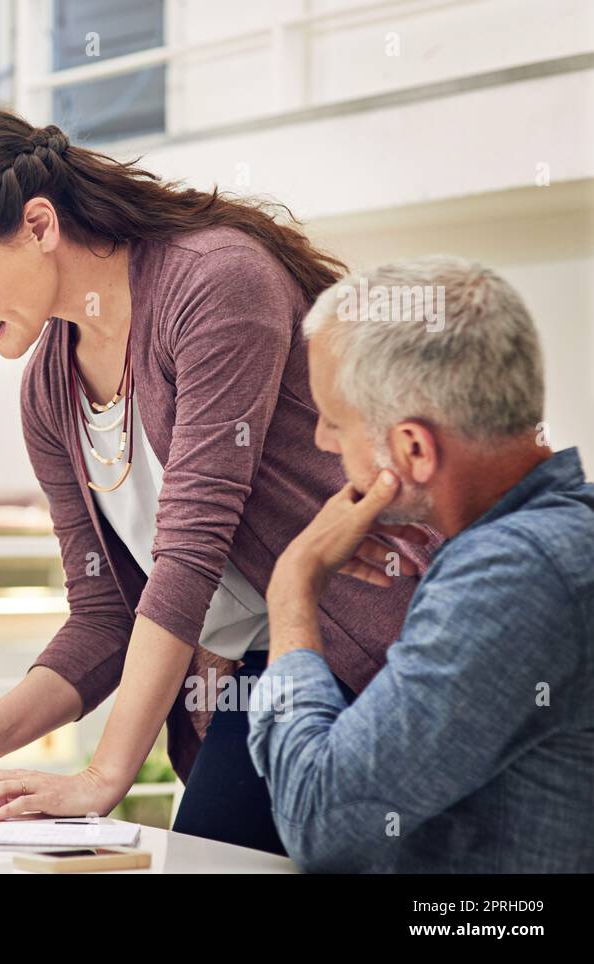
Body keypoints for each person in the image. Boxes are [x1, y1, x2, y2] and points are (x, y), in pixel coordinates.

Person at [0, 108, 435, 854]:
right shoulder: (48, 390)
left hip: (373, 650)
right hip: (251, 673)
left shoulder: (214, 283)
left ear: (39, 226)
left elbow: (191, 553)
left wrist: (105, 773)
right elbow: (106, 610)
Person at [247, 255, 594, 872]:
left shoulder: (512, 572)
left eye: (334, 419)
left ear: (411, 447)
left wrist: (294, 590)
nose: (324, 441)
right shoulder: (557, 539)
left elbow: (319, 817)